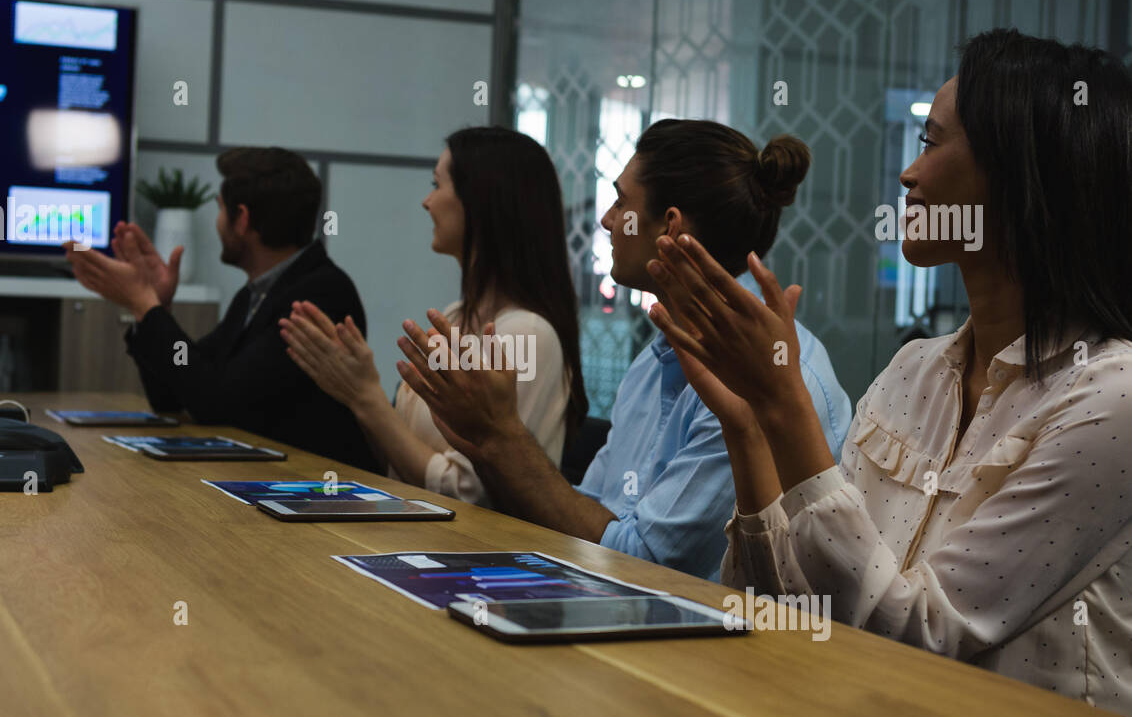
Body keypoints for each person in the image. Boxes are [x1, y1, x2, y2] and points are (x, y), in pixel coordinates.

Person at [647, 29, 1132, 716]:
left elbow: (918, 637)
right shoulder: (917, 369)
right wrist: (749, 428)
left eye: (931, 144)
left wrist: (785, 409)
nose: (908, 174)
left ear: (1021, 172)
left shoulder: (1111, 397)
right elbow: (794, 614)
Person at [395, 119, 851, 579]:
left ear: (669, 226)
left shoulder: (762, 379)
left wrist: (502, 437)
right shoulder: (655, 358)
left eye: (621, 202)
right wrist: (492, 443)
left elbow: (646, 566)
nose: (606, 220)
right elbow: (586, 511)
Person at [278, 126, 586, 505]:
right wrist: (357, 392)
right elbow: (400, 467)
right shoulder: (455, 317)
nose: (427, 201)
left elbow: (467, 495)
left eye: (437, 185)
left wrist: (369, 398)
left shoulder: (526, 334)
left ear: (479, 201)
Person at [63, 147, 376, 470]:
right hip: (262, 481)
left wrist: (145, 303)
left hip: (313, 497)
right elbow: (176, 396)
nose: (217, 223)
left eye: (220, 209)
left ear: (242, 219)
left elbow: (215, 403)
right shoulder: (255, 295)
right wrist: (156, 308)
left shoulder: (319, 294)